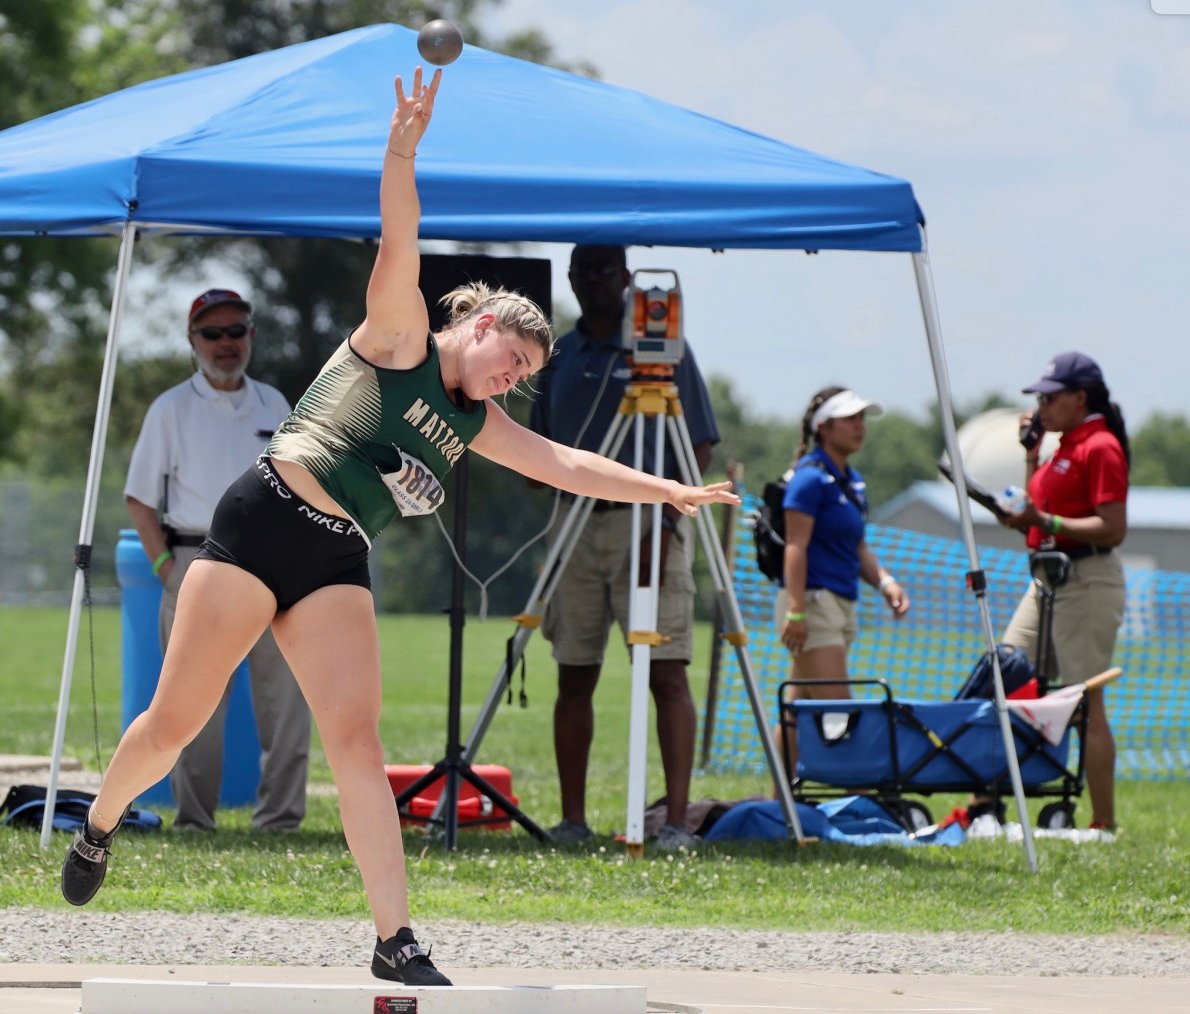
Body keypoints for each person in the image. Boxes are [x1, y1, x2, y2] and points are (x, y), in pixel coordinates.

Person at [60, 68, 739, 987]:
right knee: (175, 722)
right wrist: (400, 151)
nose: (510, 382)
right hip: (264, 521)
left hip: (336, 556)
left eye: (522, 379)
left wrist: (668, 489)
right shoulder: (400, 335)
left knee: (357, 741)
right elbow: (401, 235)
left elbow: (566, 464)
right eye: (511, 361)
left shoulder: (475, 421)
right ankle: (99, 824)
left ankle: (396, 936)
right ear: (484, 322)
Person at [528, 243, 721, 854]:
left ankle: (676, 823)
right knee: (573, 670)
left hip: (649, 520)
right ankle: (572, 821)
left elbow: (697, 445)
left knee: (666, 671)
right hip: (575, 522)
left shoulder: (662, 349)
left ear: (626, 276)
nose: (592, 281)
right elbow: (534, 448)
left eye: (604, 270)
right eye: (581, 272)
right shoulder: (557, 353)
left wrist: (663, 527)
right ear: (569, 279)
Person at [124, 287, 311, 834]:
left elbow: (301, 483)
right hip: (195, 559)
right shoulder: (170, 408)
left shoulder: (275, 403)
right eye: (213, 333)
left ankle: (280, 820)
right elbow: (140, 499)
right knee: (190, 703)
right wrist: (166, 569)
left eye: (236, 330)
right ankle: (194, 820)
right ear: (193, 340)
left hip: (273, 564)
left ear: (251, 335)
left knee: (288, 699)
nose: (226, 342)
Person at [996, 351, 1128, 832]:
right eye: (1040, 399)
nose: (1042, 407)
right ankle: (985, 803)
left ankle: (1103, 823)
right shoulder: (1062, 447)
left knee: (1084, 703)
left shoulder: (1100, 446)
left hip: (1087, 579)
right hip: (1048, 578)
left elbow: (1113, 527)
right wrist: (1031, 455)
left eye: (1051, 398)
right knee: (1007, 673)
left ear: (1080, 398)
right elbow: (1037, 515)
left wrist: (1045, 521)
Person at [777, 387, 909, 714]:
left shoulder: (853, 481)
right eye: (850, 419)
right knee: (840, 711)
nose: (860, 426)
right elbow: (795, 545)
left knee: (800, 710)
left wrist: (885, 582)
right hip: (813, 605)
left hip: (841, 604)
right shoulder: (809, 478)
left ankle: (780, 754)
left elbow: (858, 546)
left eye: (862, 418)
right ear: (824, 427)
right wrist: (796, 611)